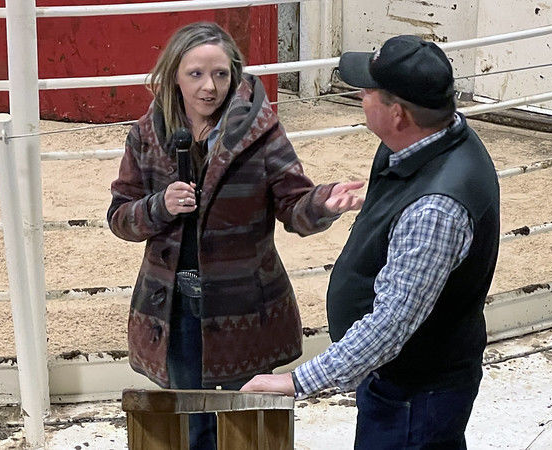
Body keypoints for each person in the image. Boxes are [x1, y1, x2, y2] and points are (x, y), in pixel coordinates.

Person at [106, 22, 363, 450]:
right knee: (192, 424)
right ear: (173, 74)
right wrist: (159, 207)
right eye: (196, 74)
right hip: (174, 312)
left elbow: (293, 205)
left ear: (235, 74)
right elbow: (119, 217)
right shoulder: (147, 134)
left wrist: (323, 204)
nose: (210, 87)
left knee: (250, 426)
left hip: (244, 310)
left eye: (221, 74)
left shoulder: (261, 132)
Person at [242, 35, 500, 449]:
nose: (360, 95)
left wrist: (296, 381)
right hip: (397, 380)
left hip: (414, 396)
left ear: (396, 113)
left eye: (367, 91)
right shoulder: (428, 141)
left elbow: (390, 326)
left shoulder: (435, 209)